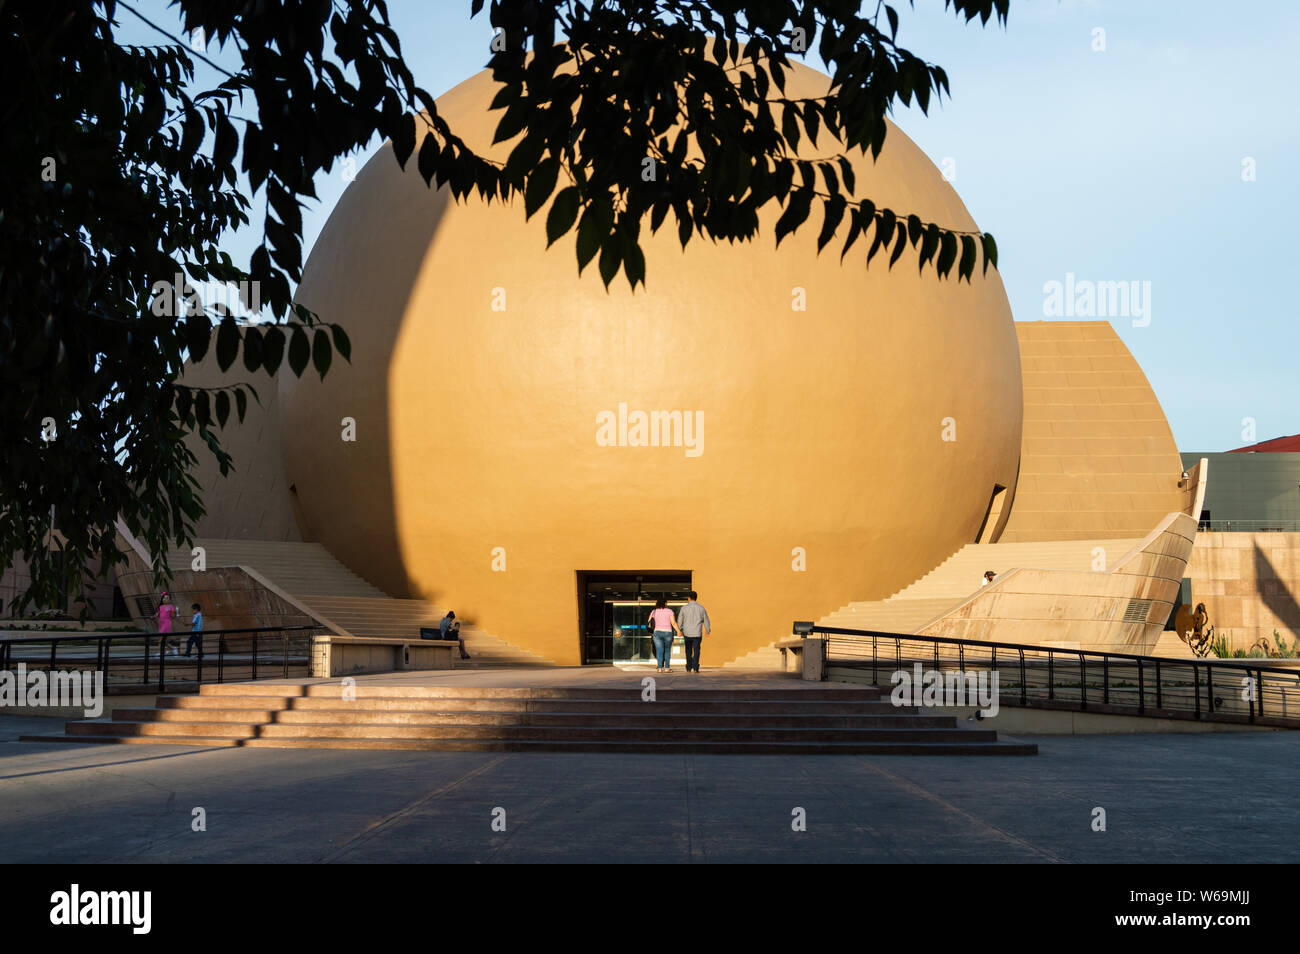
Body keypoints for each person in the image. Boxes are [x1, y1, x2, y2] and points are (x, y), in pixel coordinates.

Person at [676, 591, 710, 673]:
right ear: (696, 598)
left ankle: (688, 667)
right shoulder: (701, 608)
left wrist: (678, 630)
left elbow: (680, 620)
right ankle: (695, 667)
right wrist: (707, 630)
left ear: (689, 598)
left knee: (688, 650)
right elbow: (706, 620)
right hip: (697, 633)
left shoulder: (684, 608)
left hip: (687, 633)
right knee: (697, 650)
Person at [647, 598, 681, 673]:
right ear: (665, 603)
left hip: (657, 632)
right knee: (667, 651)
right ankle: (667, 668)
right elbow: (673, 622)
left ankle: (659, 668)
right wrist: (678, 631)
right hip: (667, 632)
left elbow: (649, 621)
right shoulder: (669, 611)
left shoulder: (654, 612)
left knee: (659, 651)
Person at [154, 591, 179, 656]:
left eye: (167, 598)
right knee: (163, 640)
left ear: (170, 600)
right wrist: (153, 617)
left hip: (166, 623)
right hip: (161, 624)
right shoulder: (160, 607)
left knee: (160, 640)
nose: (165, 599)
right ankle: (173, 648)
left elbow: (173, 616)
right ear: (162, 599)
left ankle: (161, 653)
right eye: (164, 598)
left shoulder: (171, 606)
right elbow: (156, 615)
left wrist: (175, 612)